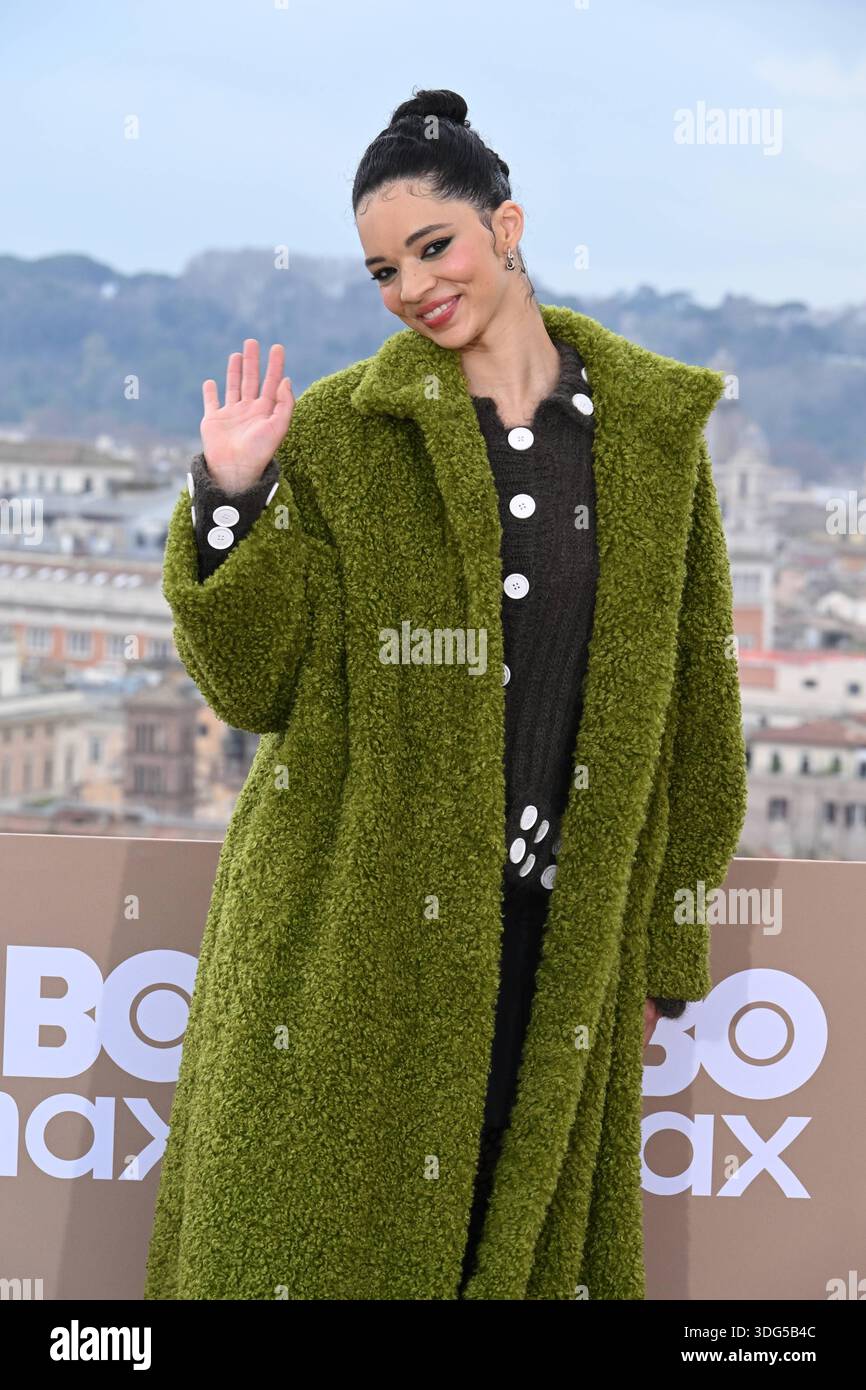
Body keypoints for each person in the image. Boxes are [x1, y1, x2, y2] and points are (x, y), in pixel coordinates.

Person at [144, 88, 747, 1301]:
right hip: (345, 932)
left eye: (434, 246)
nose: (412, 286)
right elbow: (251, 683)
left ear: (506, 226)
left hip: (555, 942)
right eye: (381, 269)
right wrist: (229, 498)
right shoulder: (336, 437)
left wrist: (663, 956)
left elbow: (696, 712)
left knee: (506, 1251)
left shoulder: (646, 432)